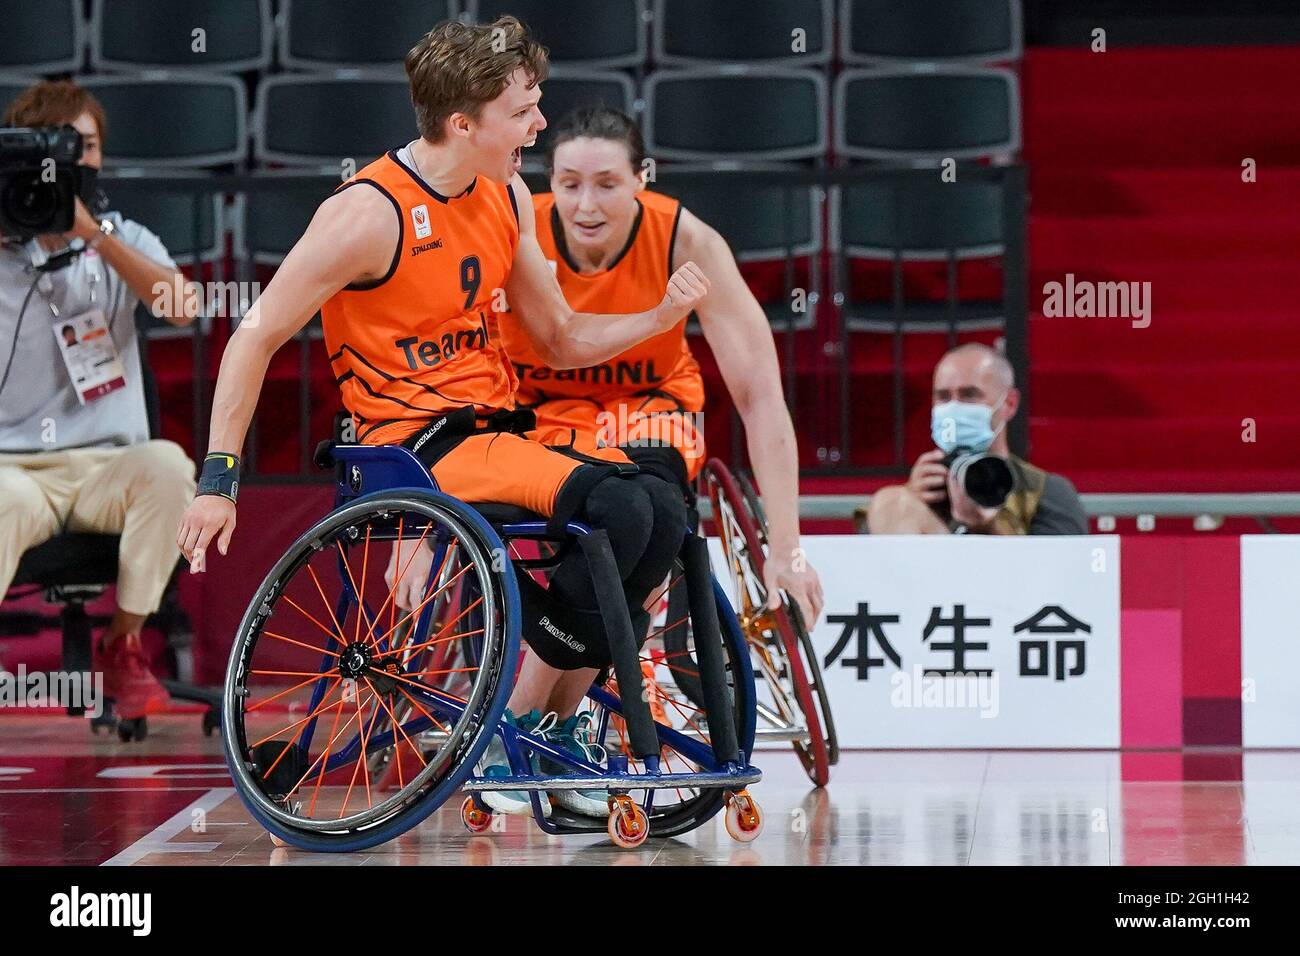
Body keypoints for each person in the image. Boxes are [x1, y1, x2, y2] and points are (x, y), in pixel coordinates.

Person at [175, 17, 707, 815]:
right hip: (412, 446)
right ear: (464, 123)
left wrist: (659, 315)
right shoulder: (367, 215)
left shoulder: (505, 196)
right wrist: (218, 478)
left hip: (496, 429)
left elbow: (561, 338)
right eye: (522, 111)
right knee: (623, 507)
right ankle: (516, 724)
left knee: (662, 498)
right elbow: (254, 335)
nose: (539, 124)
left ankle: (550, 725)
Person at [0, 80, 199, 719]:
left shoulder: (124, 236)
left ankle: (124, 644)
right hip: (14, 471)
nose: (74, 161)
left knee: (169, 467)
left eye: (84, 146)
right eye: (57, 147)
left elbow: (184, 307)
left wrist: (97, 240)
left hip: (107, 469)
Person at [863, 343, 1087, 535]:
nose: (954, 407)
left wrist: (987, 527)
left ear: (1009, 404)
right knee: (890, 501)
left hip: (1001, 574)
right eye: (943, 397)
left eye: (969, 395)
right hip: (923, 570)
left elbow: (1059, 569)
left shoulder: (1042, 492)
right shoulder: (918, 491)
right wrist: (911, 501)